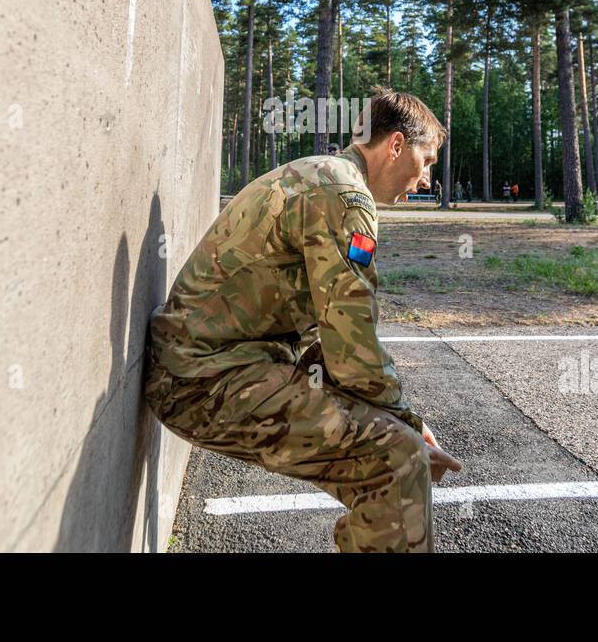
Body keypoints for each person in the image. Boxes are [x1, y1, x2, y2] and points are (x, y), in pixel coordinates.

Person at [144, 87, 464, 552]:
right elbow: (351, 342)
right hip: (200, 379)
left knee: (390, 456)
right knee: (399, 461)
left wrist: (397, 417)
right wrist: (406, 423)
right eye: (427, 160)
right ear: (395, 145)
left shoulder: (325, 177)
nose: (425, 179)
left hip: (208, 363)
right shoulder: (344, 197)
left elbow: (327, 343)